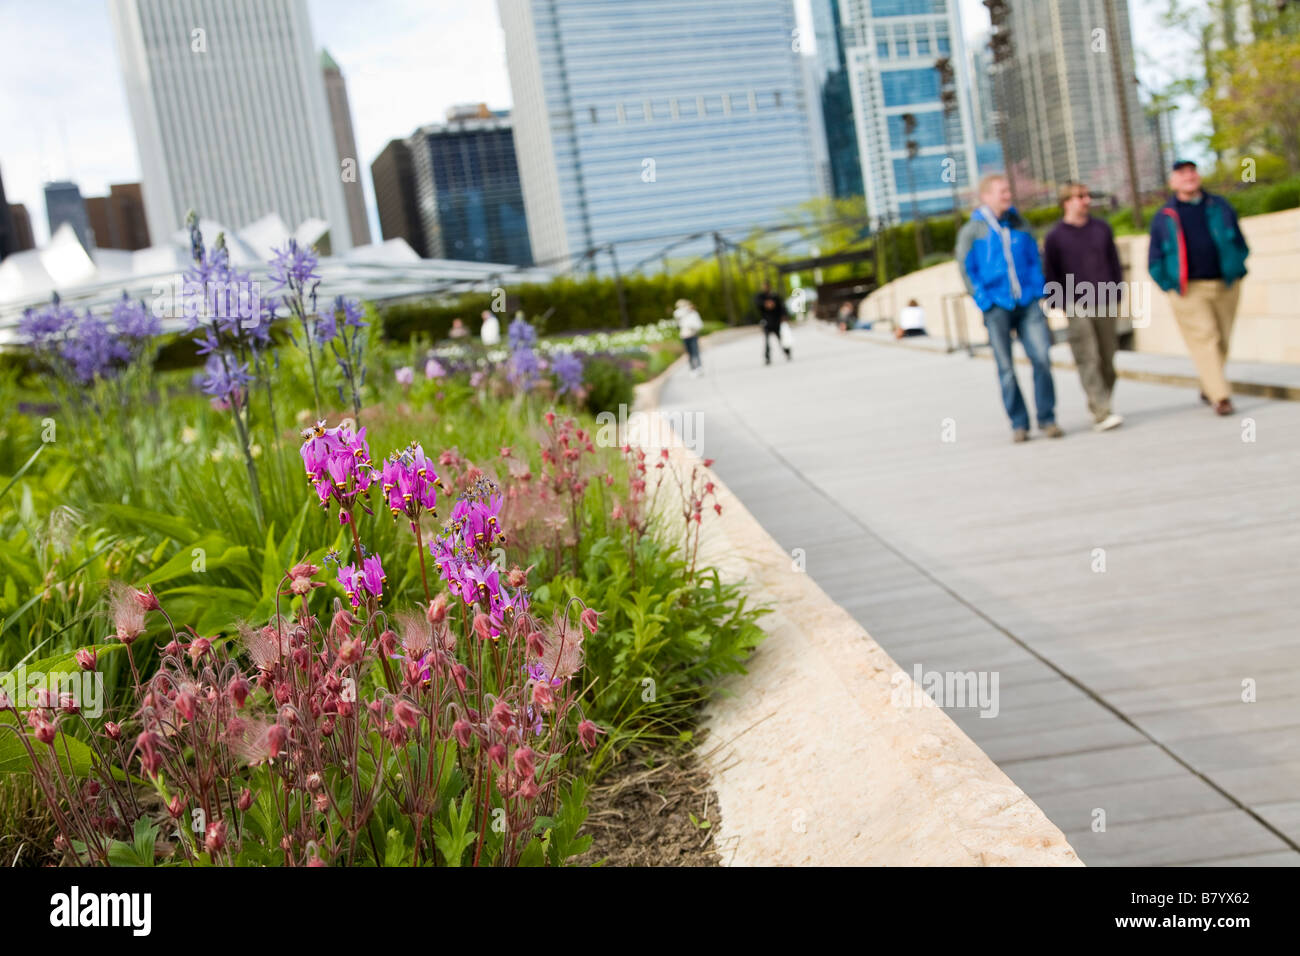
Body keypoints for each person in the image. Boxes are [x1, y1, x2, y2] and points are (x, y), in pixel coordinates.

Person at [955, 173, 1062, 443]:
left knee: (1042, 359)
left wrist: (1038, 288)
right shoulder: (973, 231)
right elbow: (967, 270)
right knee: (1006, 368)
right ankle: (1019, 423)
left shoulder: (1020, 224)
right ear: (986, 196)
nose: (1007, 195)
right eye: (1002, 191)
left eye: (1008, 191)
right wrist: (984, 300)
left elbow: (1034, 259)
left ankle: (1047, 418)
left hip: (1027, 302)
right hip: (996, 306)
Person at [1148, 159, 1250, 416]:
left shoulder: (1220, 206)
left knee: (1222, 340)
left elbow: (1238, 240)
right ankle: (1221, 397)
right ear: (1173, 182)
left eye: (1192, 171)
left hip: (1225, 283)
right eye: (1182, 173)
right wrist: (1168, 284)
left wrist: (1238, 265)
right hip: (1188, 289)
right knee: (1206, 338)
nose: (1189, 176)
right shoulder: (1164, 216)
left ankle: (1210, 384)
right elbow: (1154, 258)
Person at [1044, 182, 1124, 432]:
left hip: (1106, 299)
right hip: (1076, 303)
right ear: (1066, 202)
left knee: (1107, 359)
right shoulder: (1055, 236)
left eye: (1088, 195)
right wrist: (1058, 303)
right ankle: (1101, 411)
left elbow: (1114, 262)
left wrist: (1118, 291)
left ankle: (1102, 402)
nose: (1086, 200)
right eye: (1080, 196)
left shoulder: (1102, 228)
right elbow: (1051, 271)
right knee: (1087, 357)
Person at [755, 280, 791, 364]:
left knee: (781, 339)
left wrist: (784, 316)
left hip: (776, 321)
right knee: (767, 341)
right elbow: (757, 303)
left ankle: (787, 352)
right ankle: (767, 358)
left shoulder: (775, 296)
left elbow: (782, 307)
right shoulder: (760, 296)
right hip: (766, 322)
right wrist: (765, 304)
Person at [673, 299, 704, 376]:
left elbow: (699, 324)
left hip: (693, 335)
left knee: (695, 352)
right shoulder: (679, 314)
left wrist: (692, 326)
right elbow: (677, 316)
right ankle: (693, 368)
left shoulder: (693, 314)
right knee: (689, 353)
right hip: (684, 336)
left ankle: (699, 367)